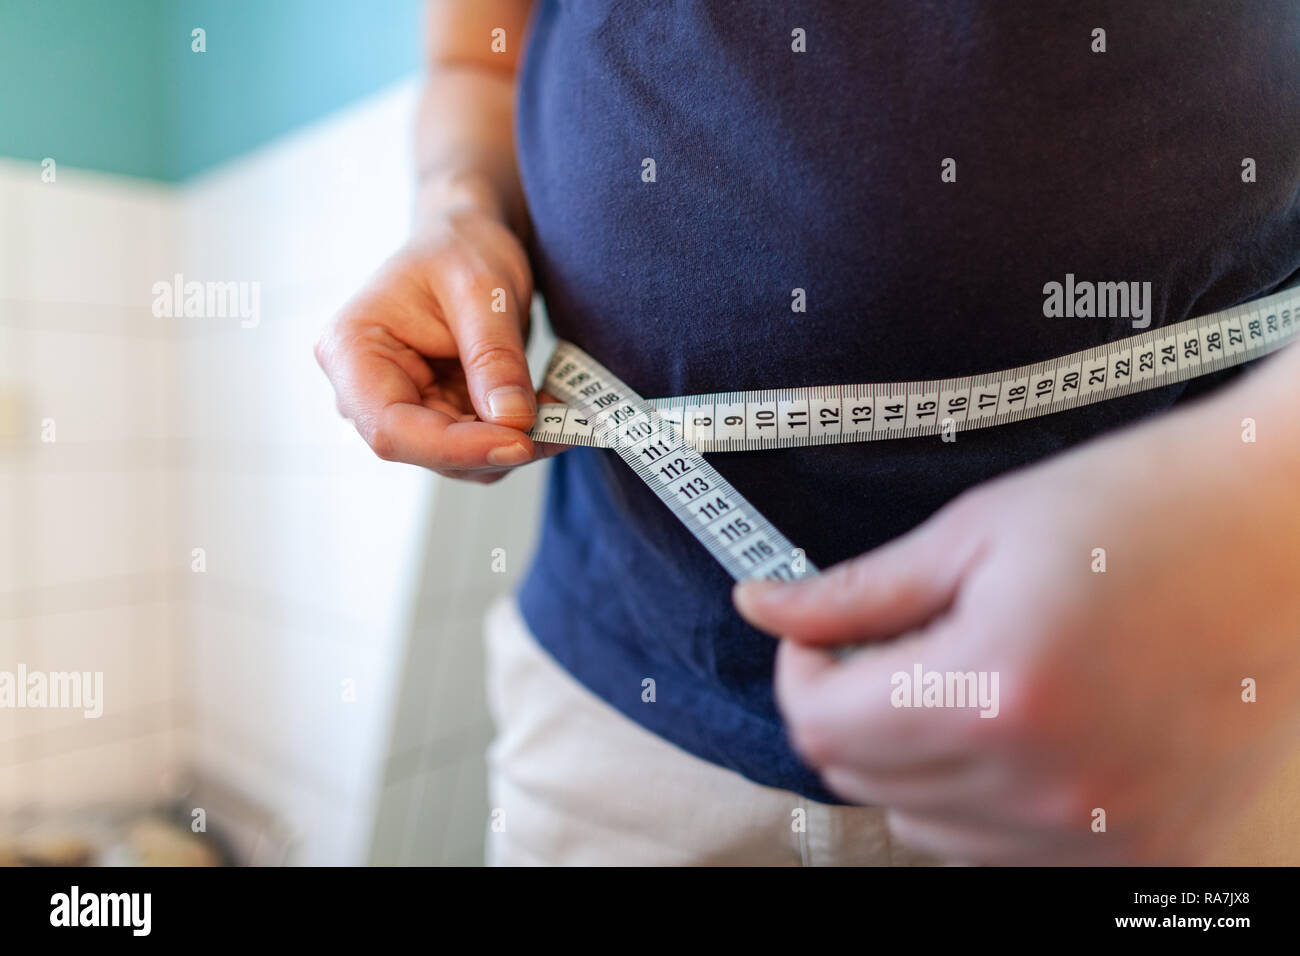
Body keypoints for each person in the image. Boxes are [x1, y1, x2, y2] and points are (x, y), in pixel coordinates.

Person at [315, 0, 1300, 865]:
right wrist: (455, 204)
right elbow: (479, 55)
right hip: (625, 692)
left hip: (1179, 683)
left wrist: (1269, 538)